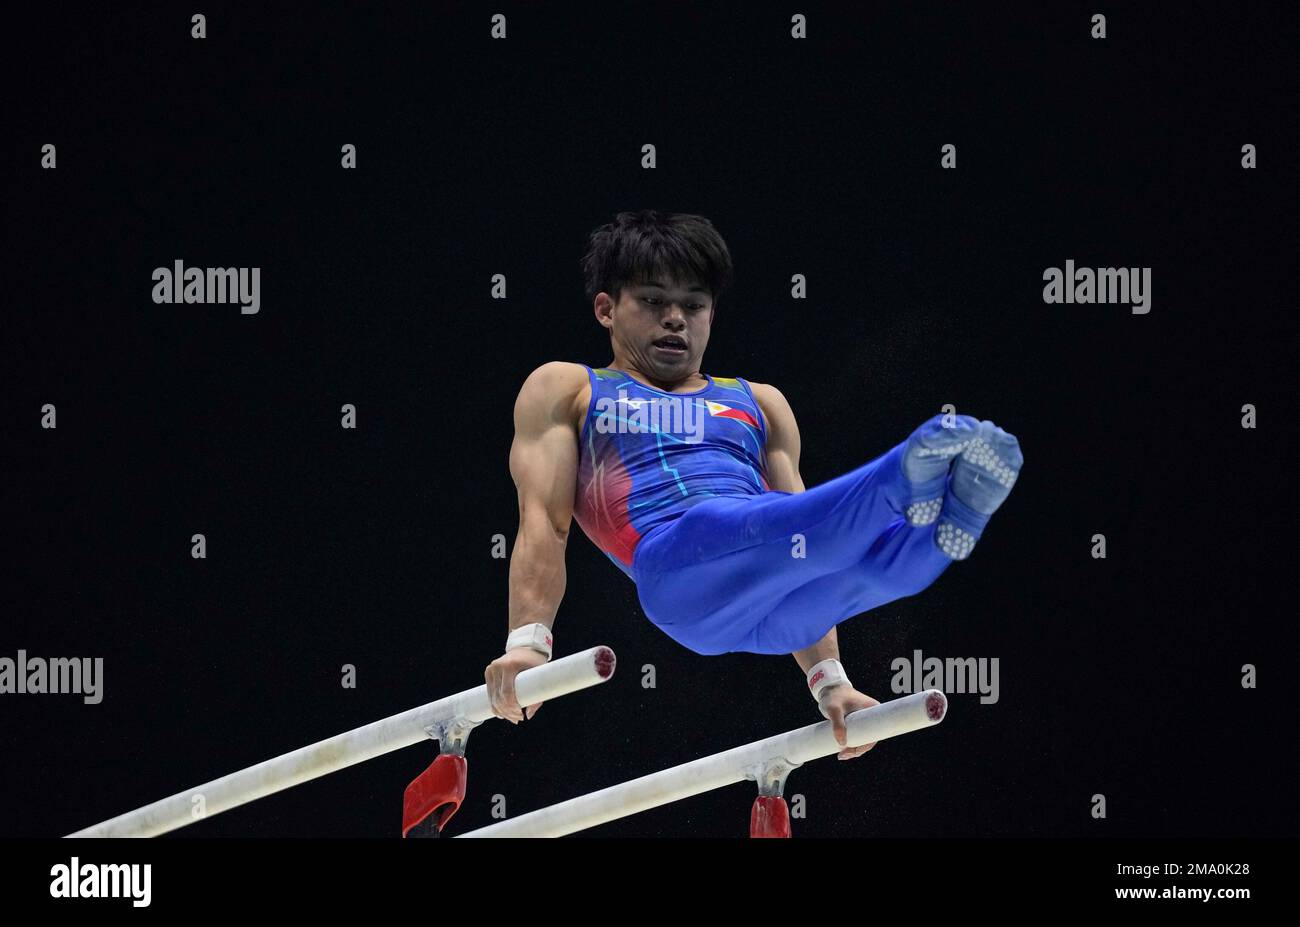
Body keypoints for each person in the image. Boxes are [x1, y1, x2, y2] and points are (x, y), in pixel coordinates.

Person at [486, 210, 1022, 759]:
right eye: (652, 302)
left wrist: (831, 683)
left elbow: (800, 533)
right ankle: (902, 474)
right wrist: (529, 644)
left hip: (770, 610)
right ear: (606, 308)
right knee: (733, 523)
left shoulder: (760, 402)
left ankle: (952, 521)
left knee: (870, 572)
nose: (675, 319)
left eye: (693, 306)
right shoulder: (571, 388)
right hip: (677, 569)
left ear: (711, 315)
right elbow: (544, 522)